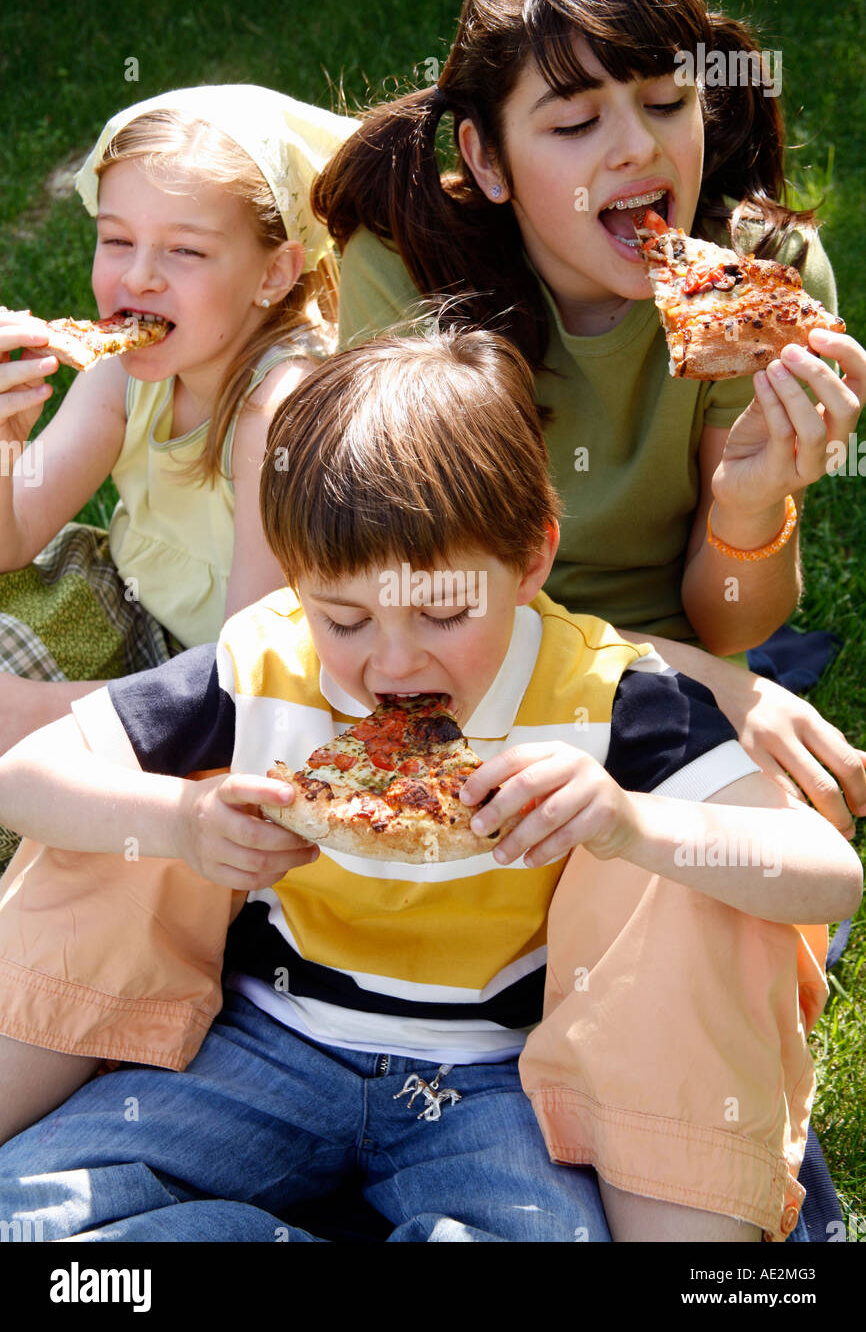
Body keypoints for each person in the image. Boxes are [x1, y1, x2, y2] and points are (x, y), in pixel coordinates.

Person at [0, 327, 859, 1242]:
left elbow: (826, 873)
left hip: (493, 1081)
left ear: (531, 563)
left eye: (444, 612)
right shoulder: (269, 662)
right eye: (346, 618)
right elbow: (24, 777)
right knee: (26, 1215)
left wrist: (627, 823)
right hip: (271, 1043)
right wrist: (183, 817)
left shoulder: (610, 696)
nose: (392, 660)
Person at [311, 0, 866, 836]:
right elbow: (409, 582)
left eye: (666, 103)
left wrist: (754, 502)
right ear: (488, 162)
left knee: (742, 864)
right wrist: (717, 685)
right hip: (451, 652)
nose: (639, 148)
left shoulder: (760, 280)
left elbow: (727, 624)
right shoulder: (402, 270)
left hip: (676, 651)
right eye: (575, 125)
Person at [0, 84, 355, 1130]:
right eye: (116, 241)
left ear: (276, 272)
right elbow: (15, 536)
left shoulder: (276, 407)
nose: (134, 279)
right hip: (147, 628)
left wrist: (53, 719)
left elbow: (252, 672)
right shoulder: (128, 371)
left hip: (251, 699)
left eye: (184, 253)